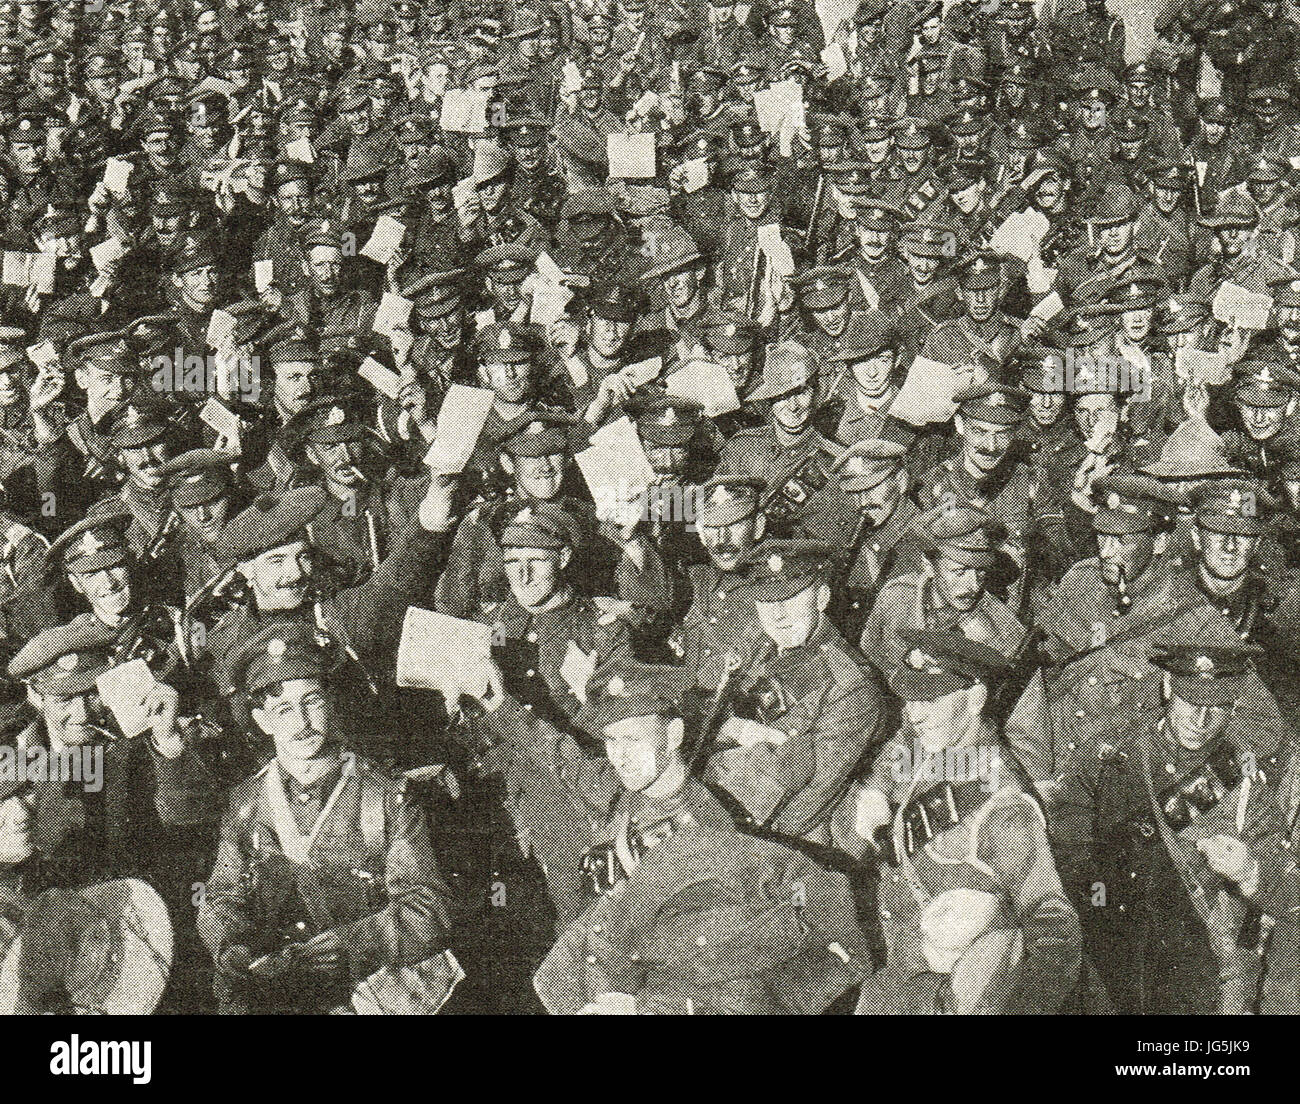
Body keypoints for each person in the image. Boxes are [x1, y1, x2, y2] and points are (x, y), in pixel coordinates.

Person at [197, 623, 454, 1014]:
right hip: (276, 996)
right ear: (263, 721)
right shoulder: (247, 802)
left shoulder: (383, 794)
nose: (301, 722)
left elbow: (428, 909)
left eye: (312, 702)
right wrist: (233, 948)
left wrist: (353, 944)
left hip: (366, 993)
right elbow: (221, 897)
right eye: (283, 710)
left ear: (330, 703)